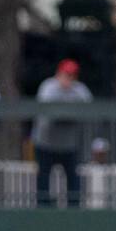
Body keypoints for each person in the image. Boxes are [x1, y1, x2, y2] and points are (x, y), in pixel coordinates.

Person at [33, 59, 93, 206]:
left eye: (71, 75)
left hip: (69, 144)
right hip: (46, 142)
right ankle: (43, 208)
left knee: (73, 179)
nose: (68, 78)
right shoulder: (48, 86)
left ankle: (74, 209)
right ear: (58, 74)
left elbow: (88, 107)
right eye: (65, 74)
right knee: (44, 177)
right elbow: (47, 109)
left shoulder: (79, 89)